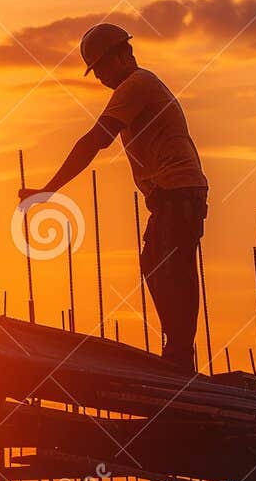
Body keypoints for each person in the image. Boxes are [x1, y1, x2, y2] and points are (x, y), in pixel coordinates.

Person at [17, 23, 208, 371]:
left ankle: (180, 353)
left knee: (169, 268)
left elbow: (95, 140)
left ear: (124, 56)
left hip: (178, 192)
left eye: (102, 67)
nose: (100, 77)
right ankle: (179, 350)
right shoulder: (139, 85)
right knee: (158, 264)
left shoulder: (136, 85)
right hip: (175, 193)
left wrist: (49, 189)